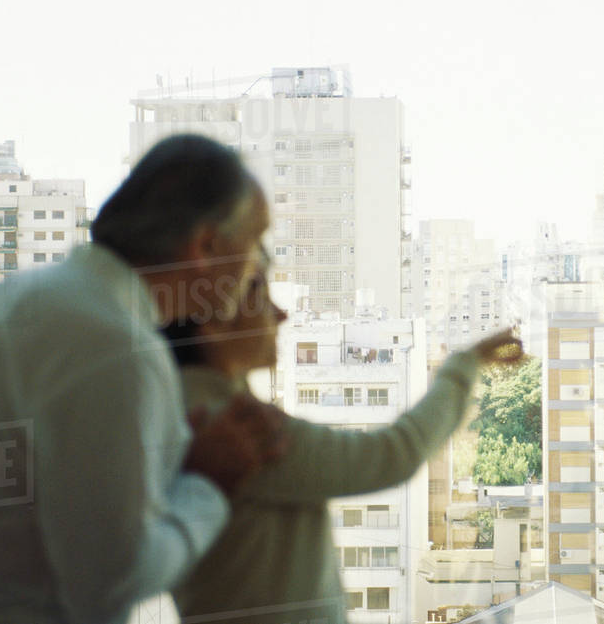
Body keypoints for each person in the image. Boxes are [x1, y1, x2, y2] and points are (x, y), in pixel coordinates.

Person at [0, 134, 288, 624]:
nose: (258, 264)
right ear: (206, 246)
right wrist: (208, 482)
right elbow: (112, 585)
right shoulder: (115, 345)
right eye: (255, 242)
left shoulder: (18, 302)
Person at [165, 252, 525, 624]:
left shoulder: (178, 410)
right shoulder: (235, 429)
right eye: (259, 295)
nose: (281, 314)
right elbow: (393, 454)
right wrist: (463, 366)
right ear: (213, 322)